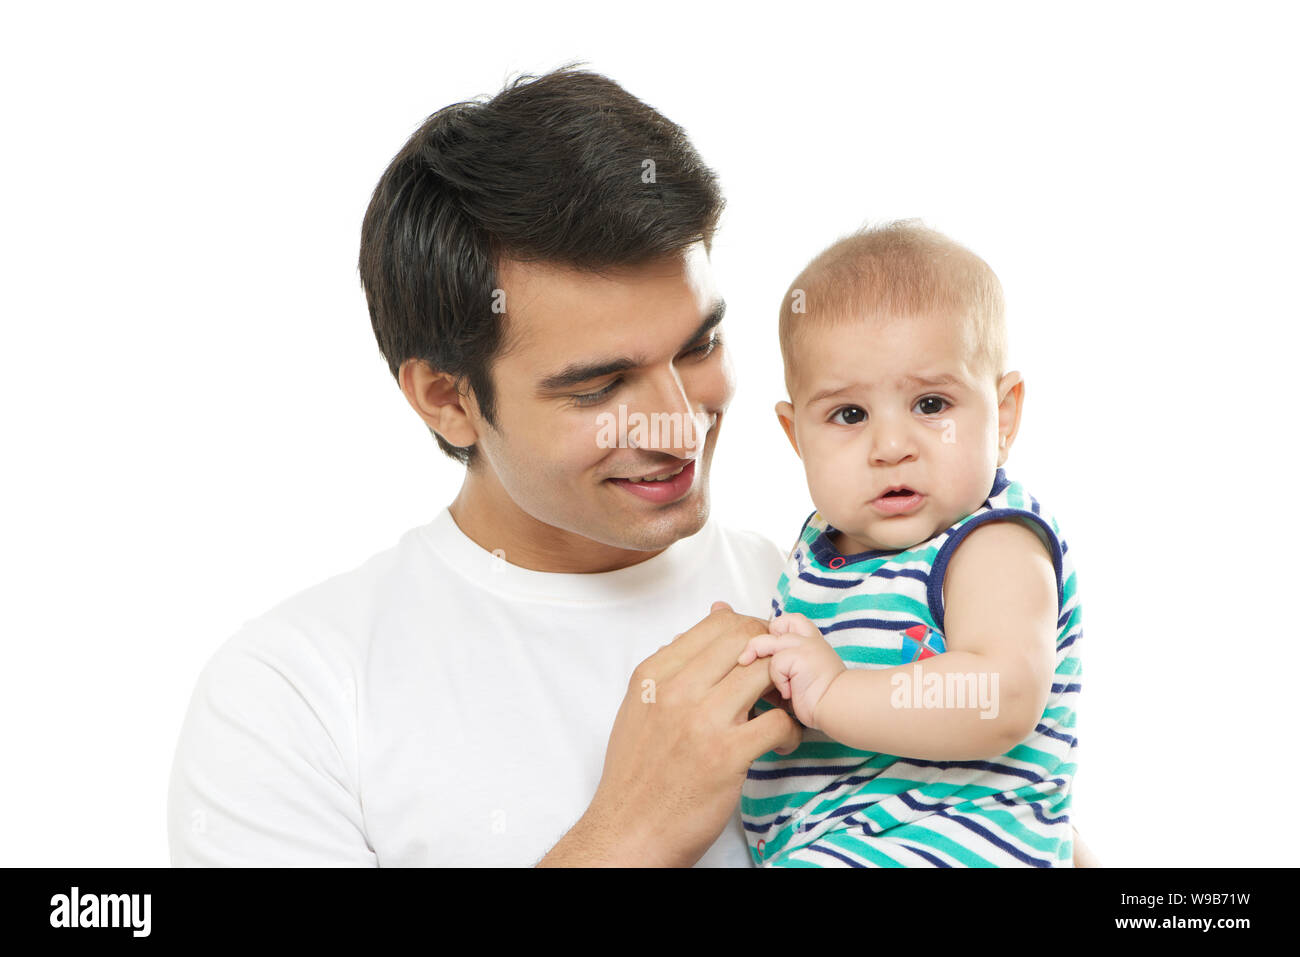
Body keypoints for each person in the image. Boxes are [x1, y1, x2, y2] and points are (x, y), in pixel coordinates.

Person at [167, 67, 1096, 867]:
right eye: (601, 385)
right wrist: (629, 833)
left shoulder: (833, 588)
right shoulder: (292, 699)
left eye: (699, 345)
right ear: (447, 398)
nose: (681, 422)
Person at [738, 221, 1083, 866]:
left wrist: (832, 695)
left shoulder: (993, 541)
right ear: (795, 435)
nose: (891, 447)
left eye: (931, 404)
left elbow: (1000, 694)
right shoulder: (818, 550)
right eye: (849, 415)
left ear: (1002, 415)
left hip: (940, 842)